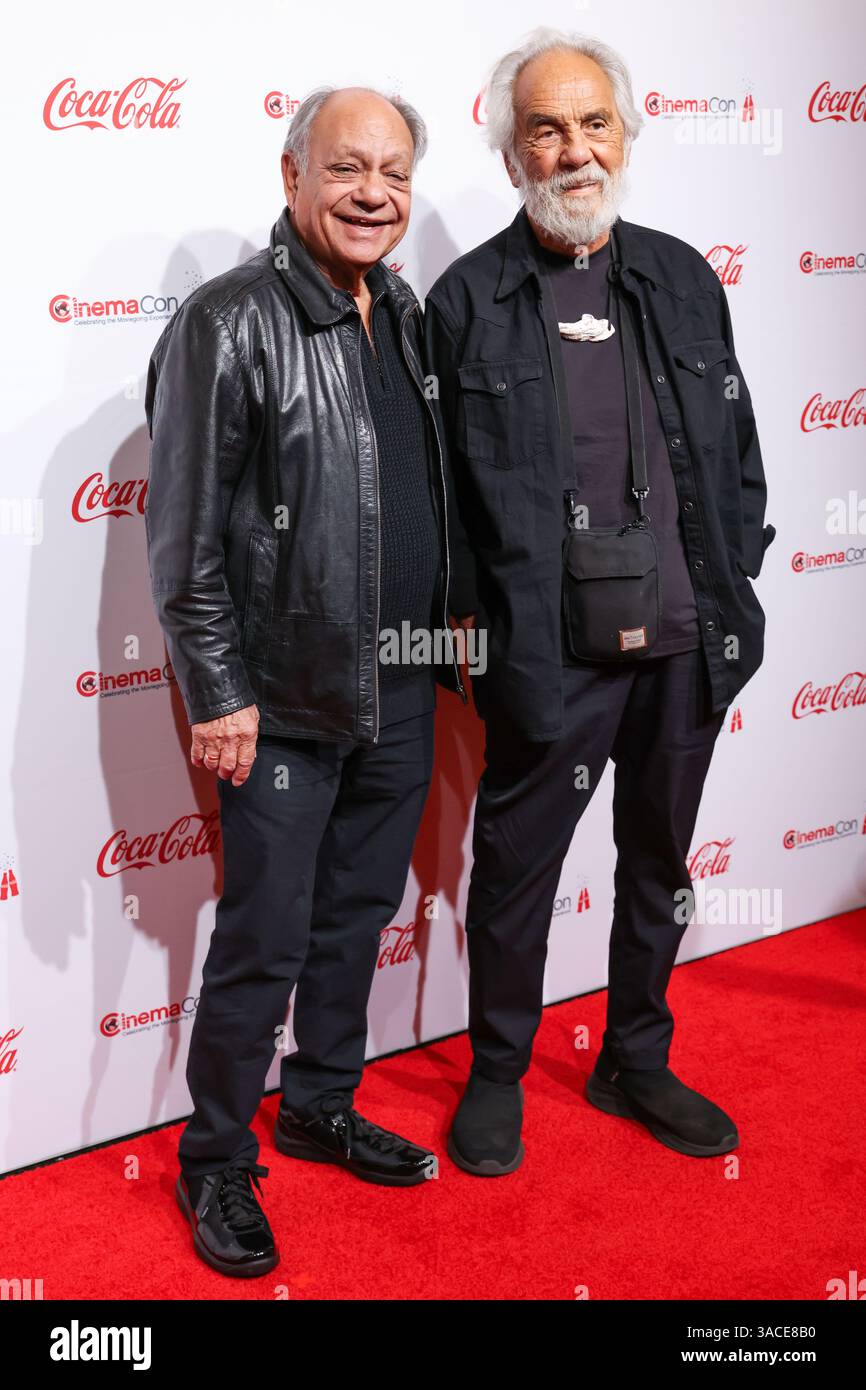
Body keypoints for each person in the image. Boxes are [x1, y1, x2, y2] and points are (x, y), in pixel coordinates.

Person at [424, 27, 775, 1176]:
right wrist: (470, 641)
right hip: (545, 652)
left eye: (592, 123)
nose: (573, 149)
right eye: (544, 126)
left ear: (622, 134)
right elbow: (442, 507)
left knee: (658, 862)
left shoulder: (679, 273)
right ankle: (495, 1070)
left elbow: (731, 444)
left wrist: (737, 577)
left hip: (684, 638)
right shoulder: (466, 299)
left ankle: (633, 1053)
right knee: (517, 868)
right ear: (508, 148)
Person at [145, 84, 462, 1275]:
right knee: (264, 938)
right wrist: (218, 688)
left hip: (404, 686)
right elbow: (181, 540)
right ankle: (216, 1159)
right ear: (291, 178)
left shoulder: (409, 314)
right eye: (345, 168)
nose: (373, 191)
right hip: (279, 698)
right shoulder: (227, 324)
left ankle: (321, 1102)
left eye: (392, 170)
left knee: (354, 921)